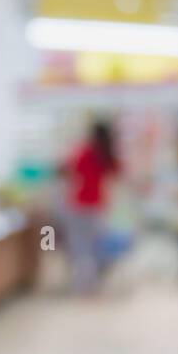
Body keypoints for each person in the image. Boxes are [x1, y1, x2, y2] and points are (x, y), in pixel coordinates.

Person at [62, 119, 119, 295]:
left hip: (79, 205)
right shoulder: (106, 154)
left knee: (80, 248)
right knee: (94, 247)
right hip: (97, 206)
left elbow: (68, 171)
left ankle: (83, 286)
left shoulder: (85, 152)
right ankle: (92, 285)